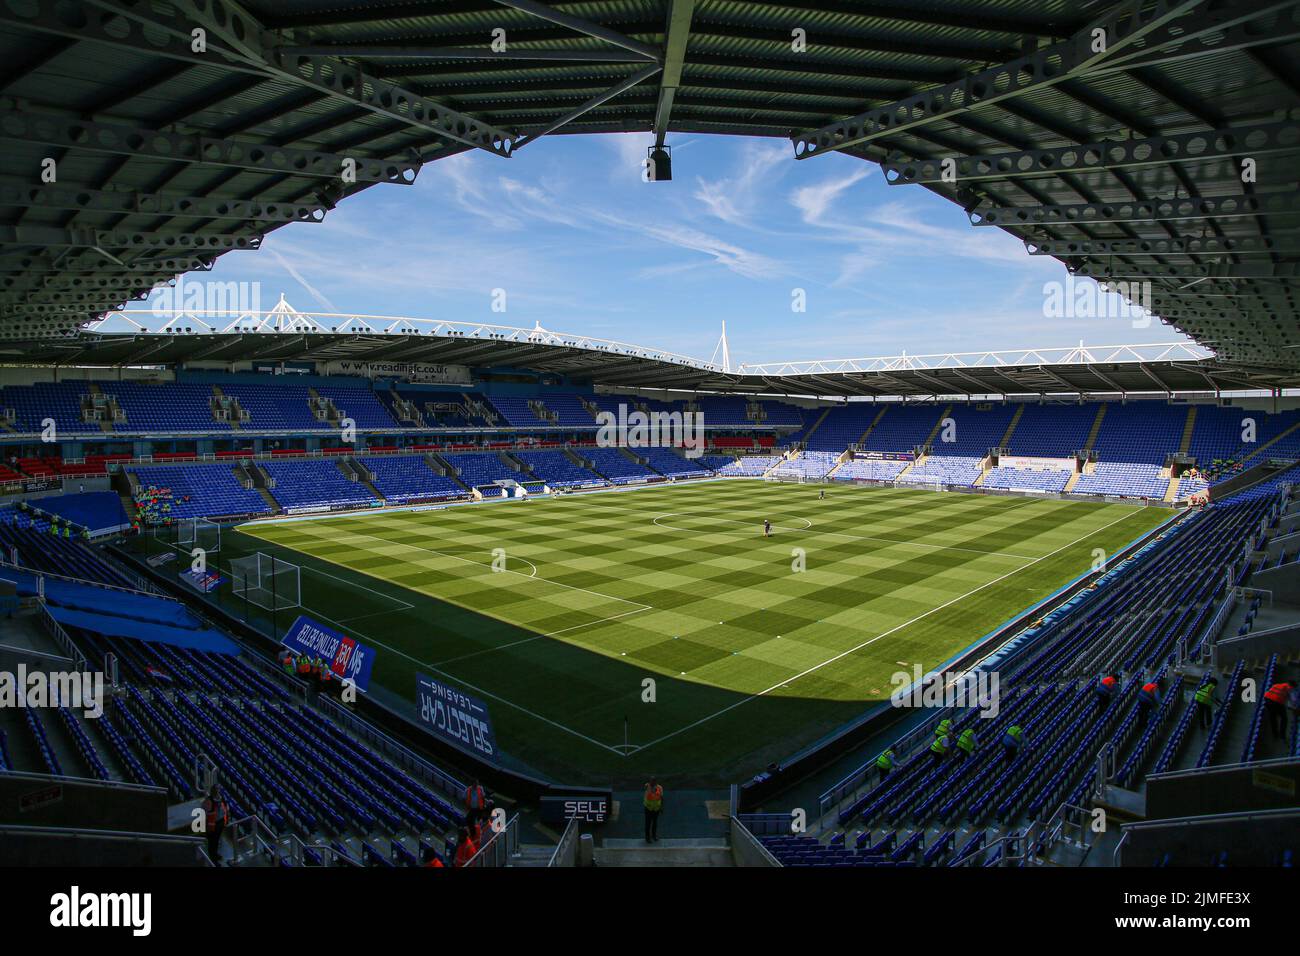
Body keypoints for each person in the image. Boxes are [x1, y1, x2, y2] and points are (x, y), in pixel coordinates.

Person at [201, 785, 230, 866]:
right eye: (217, 789)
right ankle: (213, 859)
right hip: (212, 825)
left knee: (217, 841)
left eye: (219, 789)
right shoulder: (209, 801)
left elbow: (226, 809)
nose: (219, 791)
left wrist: (226, 819)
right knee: (212, 843)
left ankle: (216, 854)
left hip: (220, 822)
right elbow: (204, 812)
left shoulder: (222, 798)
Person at [643, 776, 663, 844]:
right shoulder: (647, 786)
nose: (652, 782)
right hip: (648, 809)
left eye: (654, 781)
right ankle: (647, 837)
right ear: (649, 781)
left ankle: (654, 836)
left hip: (656, 809)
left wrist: (661, 807)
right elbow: (646, 788)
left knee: (655, 823)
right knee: (648, 824)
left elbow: (661, 797)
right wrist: (650, 787)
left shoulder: (660, 788)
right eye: (651, 781)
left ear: (656, 782)